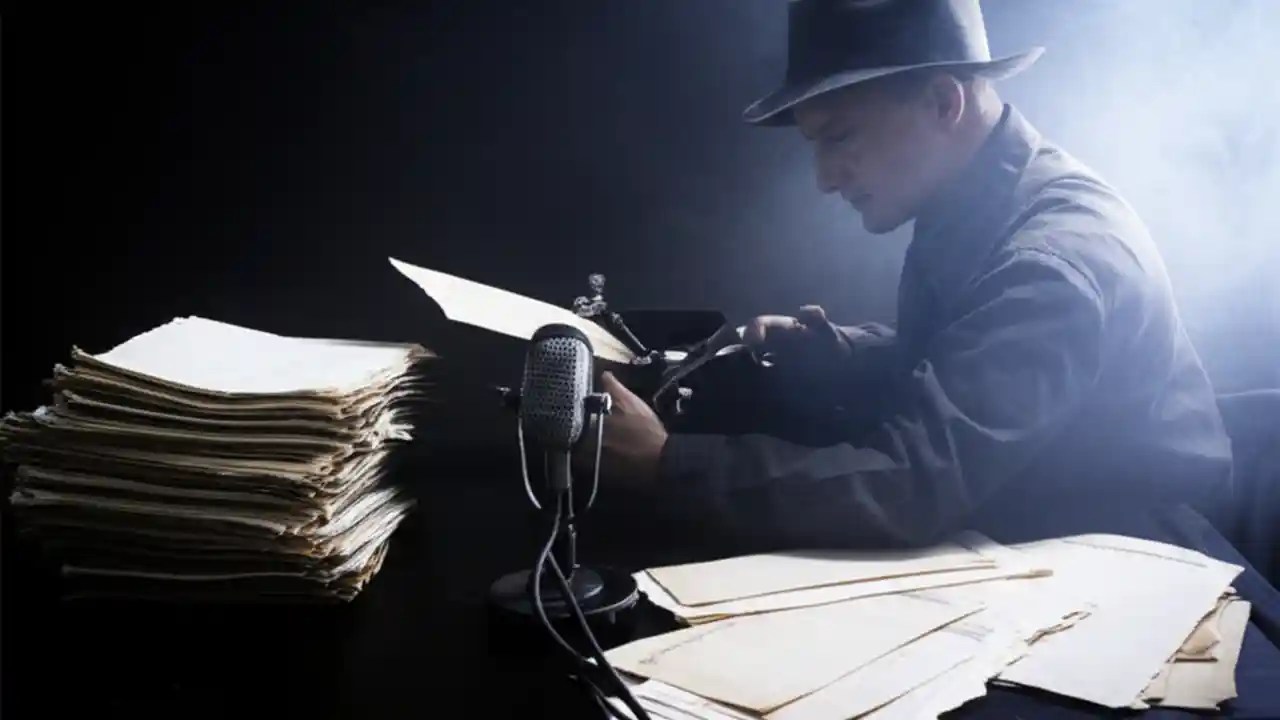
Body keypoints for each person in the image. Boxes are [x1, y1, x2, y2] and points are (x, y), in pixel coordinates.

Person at [578, 0, 1233, 549]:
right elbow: (977, 359)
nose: (825, 179)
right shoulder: (974, 200)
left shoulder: (1051, 265)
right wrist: (844, 354)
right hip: (1042, 522)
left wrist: (667, 465)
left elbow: (914, 486)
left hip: (1141, 562)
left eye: (840, 137)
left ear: (944, 102)